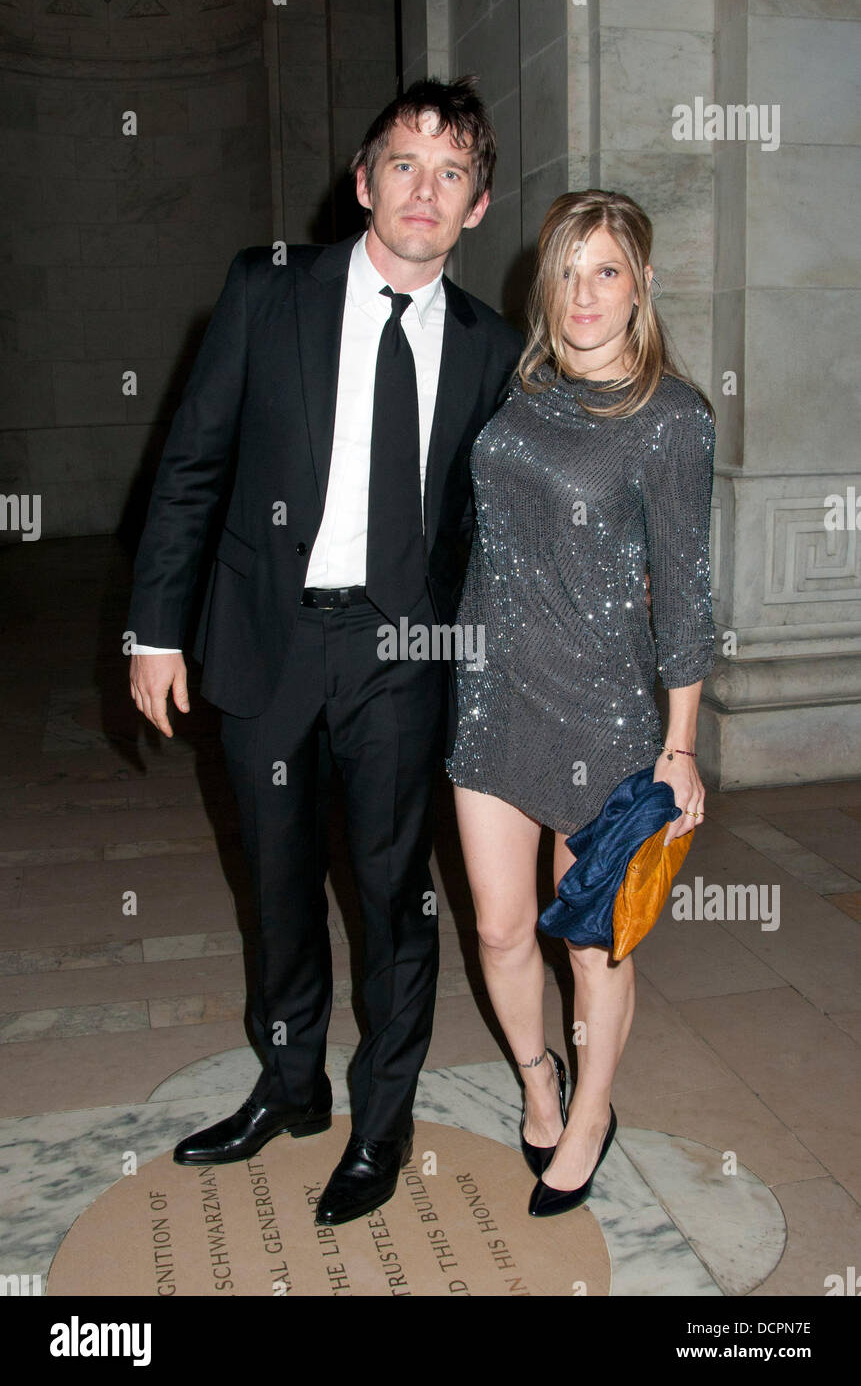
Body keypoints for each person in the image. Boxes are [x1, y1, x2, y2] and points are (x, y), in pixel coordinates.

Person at [127, 76, 522, 1227]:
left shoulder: (493, 350)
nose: (424, 190)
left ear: (477, 207)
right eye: (404, 163)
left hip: (403, 657)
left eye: (452, 174)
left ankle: (381, 1124)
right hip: (267, 636)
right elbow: (190, 466)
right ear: (361, 181)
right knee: (282, 886)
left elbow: (491, 529)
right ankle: (287, 1082)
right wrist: (155, 630)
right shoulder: (269, 291)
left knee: (397, 903)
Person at [445, 189, 716, 1217]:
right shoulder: (525, 396)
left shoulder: (672, 418)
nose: (586, 292)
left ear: (642, 284)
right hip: (493, 696)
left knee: (593, 937)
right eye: (568, 269)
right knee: (501, 927)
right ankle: (537, 1076)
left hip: (603, 712)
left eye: (607, 270)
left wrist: (679, 745)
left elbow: (687, 587)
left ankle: (594, 1108)